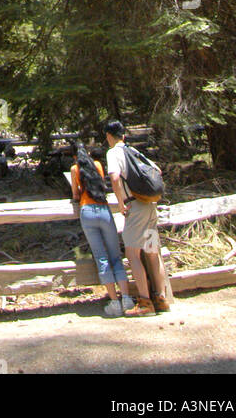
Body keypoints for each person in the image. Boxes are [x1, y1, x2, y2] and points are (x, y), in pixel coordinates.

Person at [105, 119, 169, 316]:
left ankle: (144, 303)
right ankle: (161, 299)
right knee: (152, 252)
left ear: (108, 136)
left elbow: (114, 177)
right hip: (150, 205)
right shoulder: (133, 151)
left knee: (132, 253)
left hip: (135, 207)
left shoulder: (113, 153)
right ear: (123, 135)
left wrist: (121, 202)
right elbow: (157, 171)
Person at [70, 140, 134, 317]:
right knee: (115, 255)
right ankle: (126, 298)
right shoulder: (97, 165)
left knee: (101, 257)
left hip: (86, 211)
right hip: (104, 210)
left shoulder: (75, 169)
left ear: (73, 156)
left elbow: (75, 194)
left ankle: (114, 302)